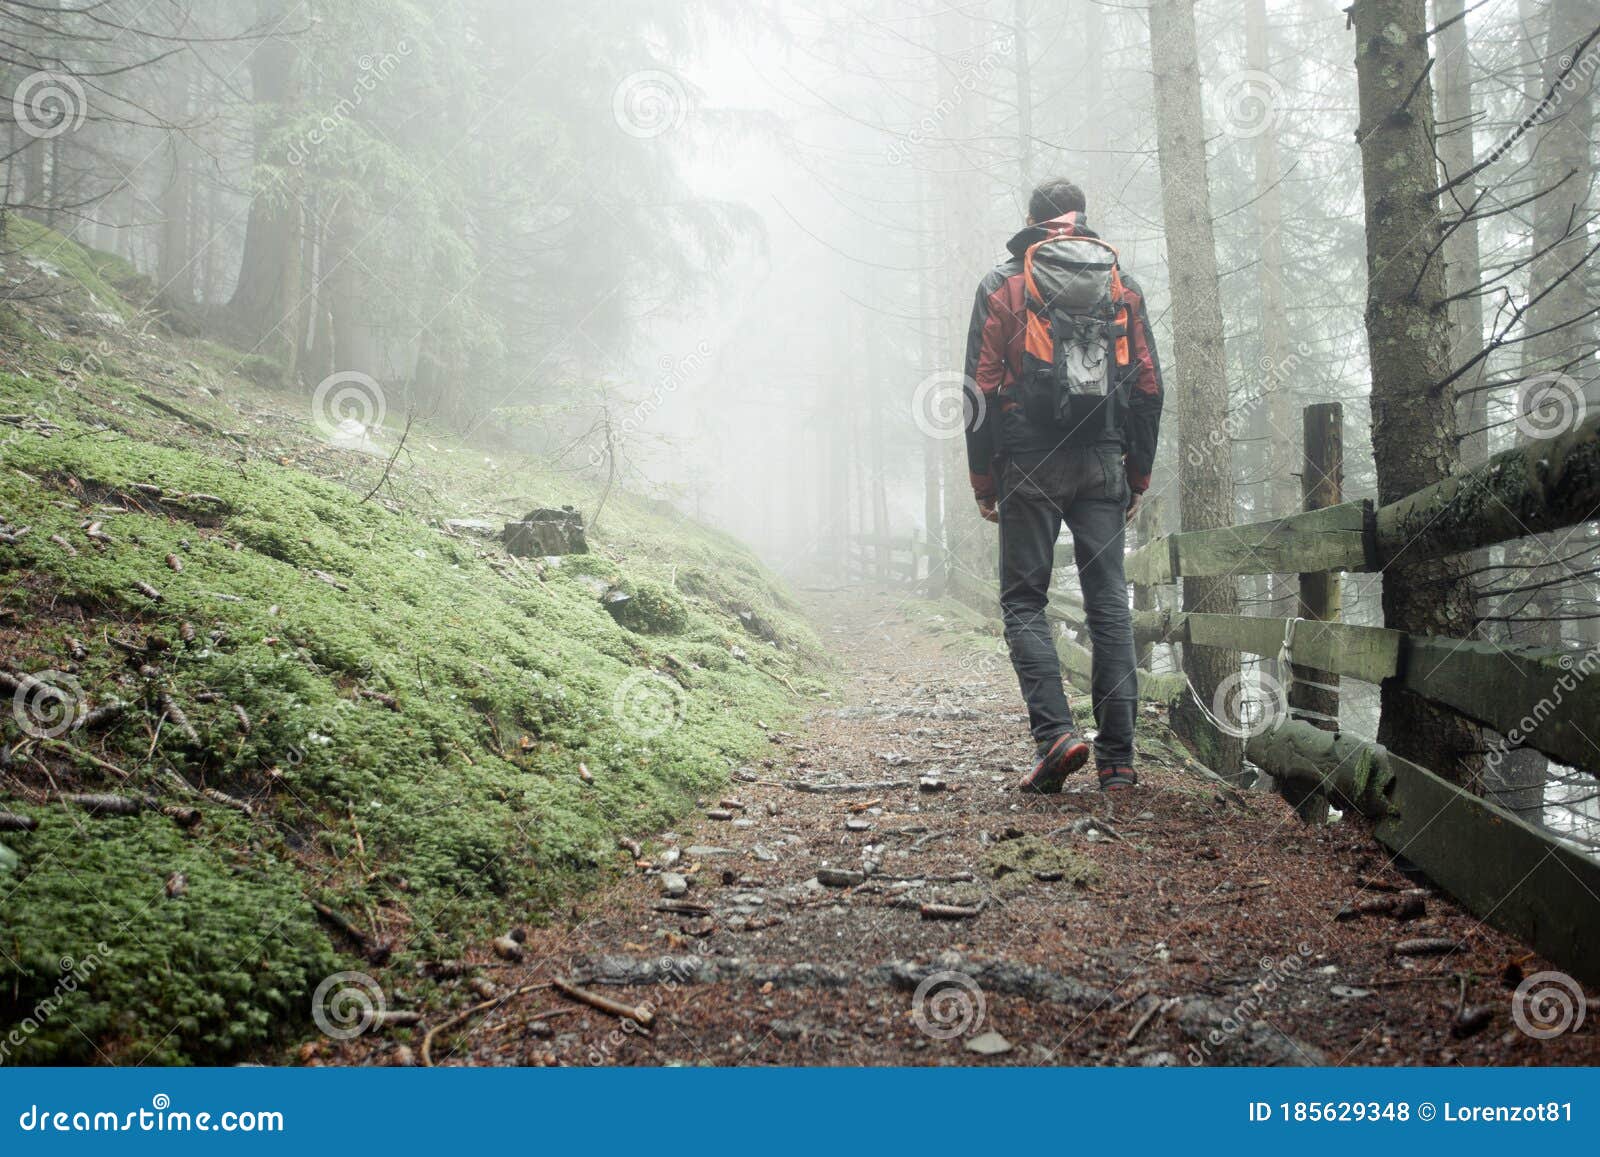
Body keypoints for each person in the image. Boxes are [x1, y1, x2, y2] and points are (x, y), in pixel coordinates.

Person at [963, 178, 1164, 793]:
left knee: (1025, 601)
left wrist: (983, 479)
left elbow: (977, 390)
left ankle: (1056, 737)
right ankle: (1119, 762)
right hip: (1103, 459)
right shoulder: (1119, 284)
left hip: (1029, 461)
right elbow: (1149, 386)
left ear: (1031, 221)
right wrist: (1137, 476)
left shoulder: (1003, 284)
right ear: (1083, 221)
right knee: (1108, 602)